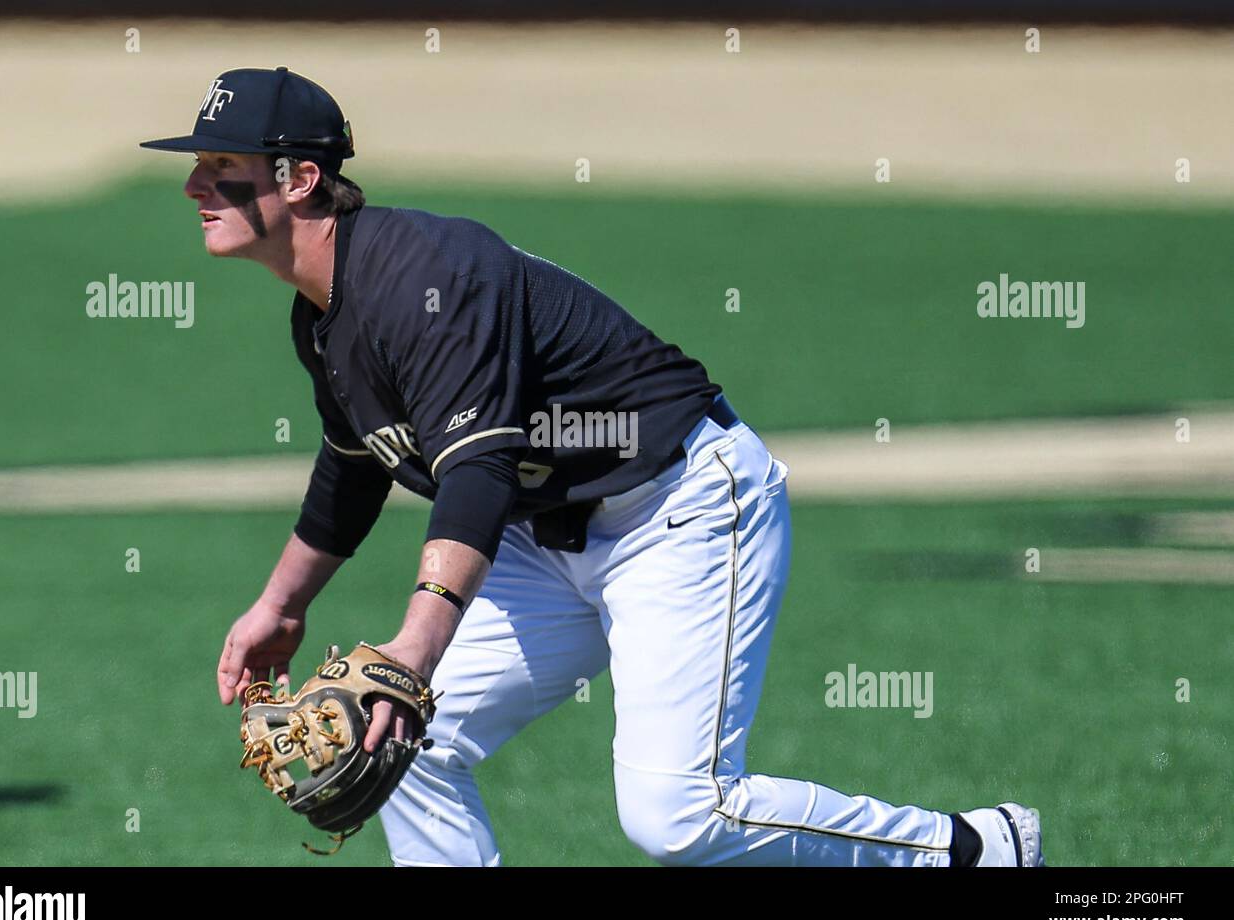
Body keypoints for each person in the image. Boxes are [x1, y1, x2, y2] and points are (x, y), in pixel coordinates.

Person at [141, 66, 1044, 867]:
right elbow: (354, 465)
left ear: (299, 179)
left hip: (680, 509)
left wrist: (416, 648)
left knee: (677, 818)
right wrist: (281, 605)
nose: (193, 185)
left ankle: (971, 851)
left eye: (221, 166)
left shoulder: (429, 275)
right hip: (548, 539)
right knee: (400, 741)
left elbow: (480, 472)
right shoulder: (321, 314)